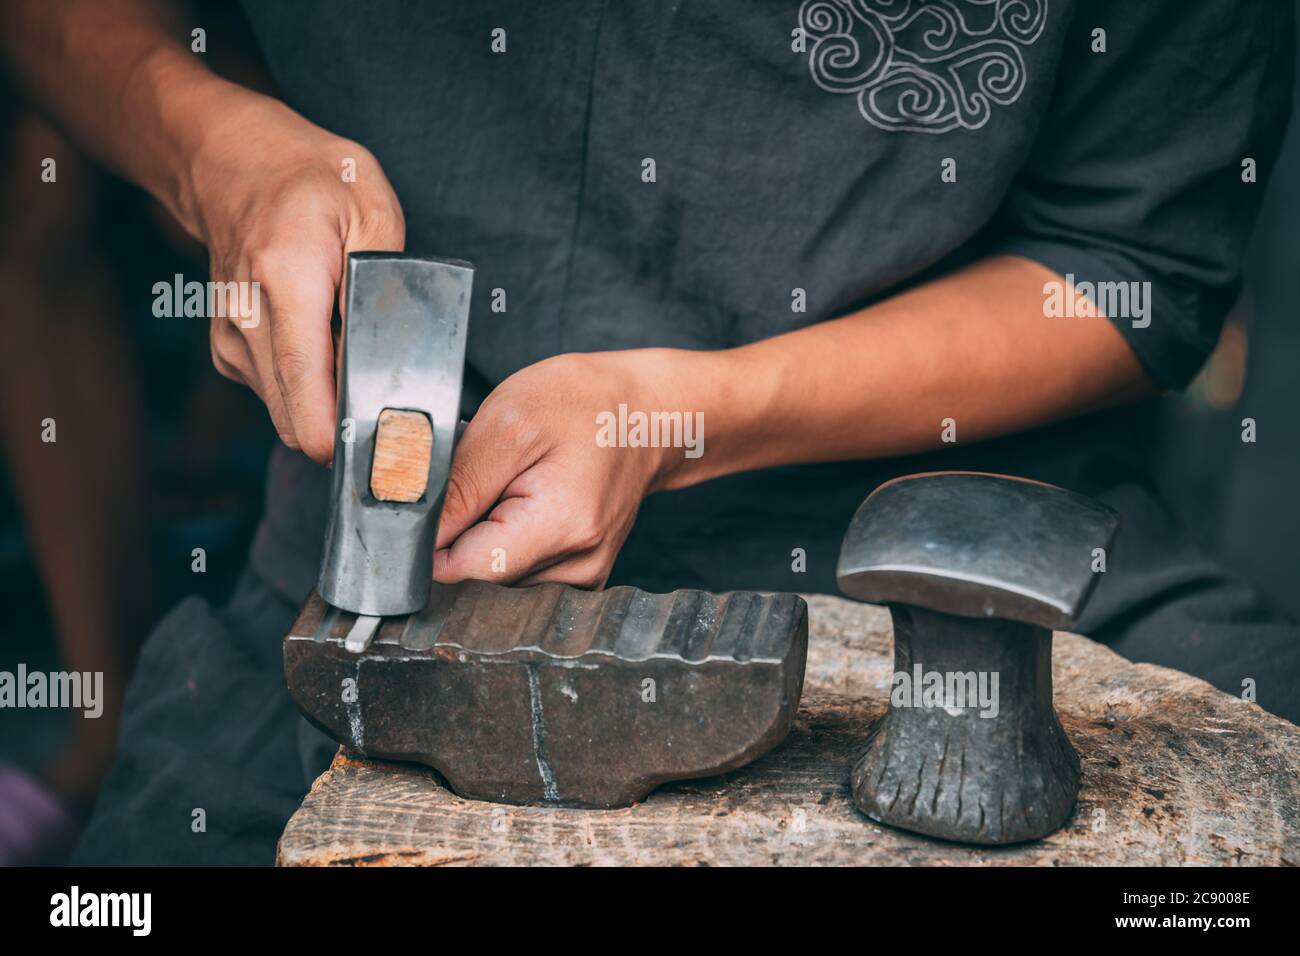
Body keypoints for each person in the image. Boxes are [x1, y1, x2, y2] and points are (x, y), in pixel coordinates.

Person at [4, 0, 1294, 865]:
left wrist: (685, 417)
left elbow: (1132, 269)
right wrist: (208, 144)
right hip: (376, 581)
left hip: (951, 550)